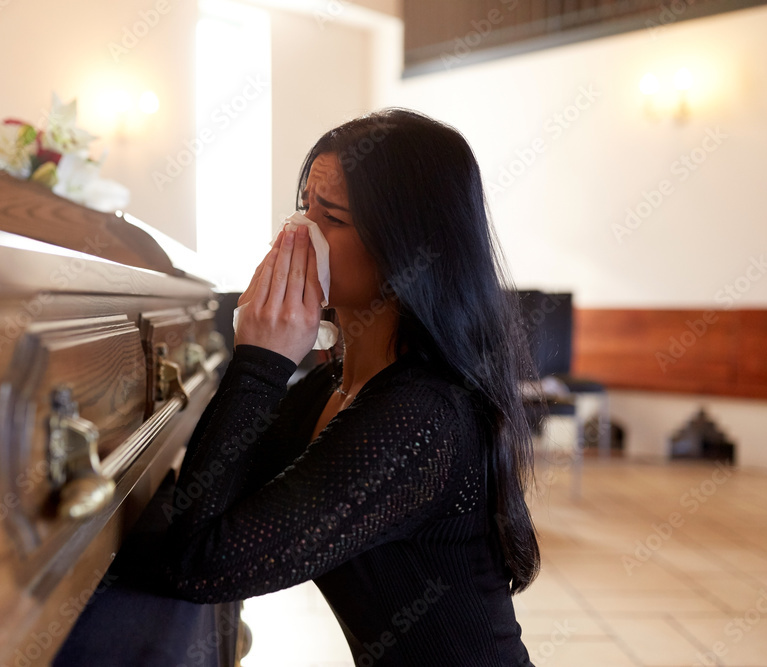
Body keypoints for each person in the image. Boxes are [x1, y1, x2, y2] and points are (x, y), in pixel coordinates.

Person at [134, 108, 539, 666]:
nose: (297, 235)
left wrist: (260, 362)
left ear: (406, 247)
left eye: (332, 219)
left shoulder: (423, 416)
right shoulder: (334, 384)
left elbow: (199, 565)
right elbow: (204, 511)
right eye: (303, 208)